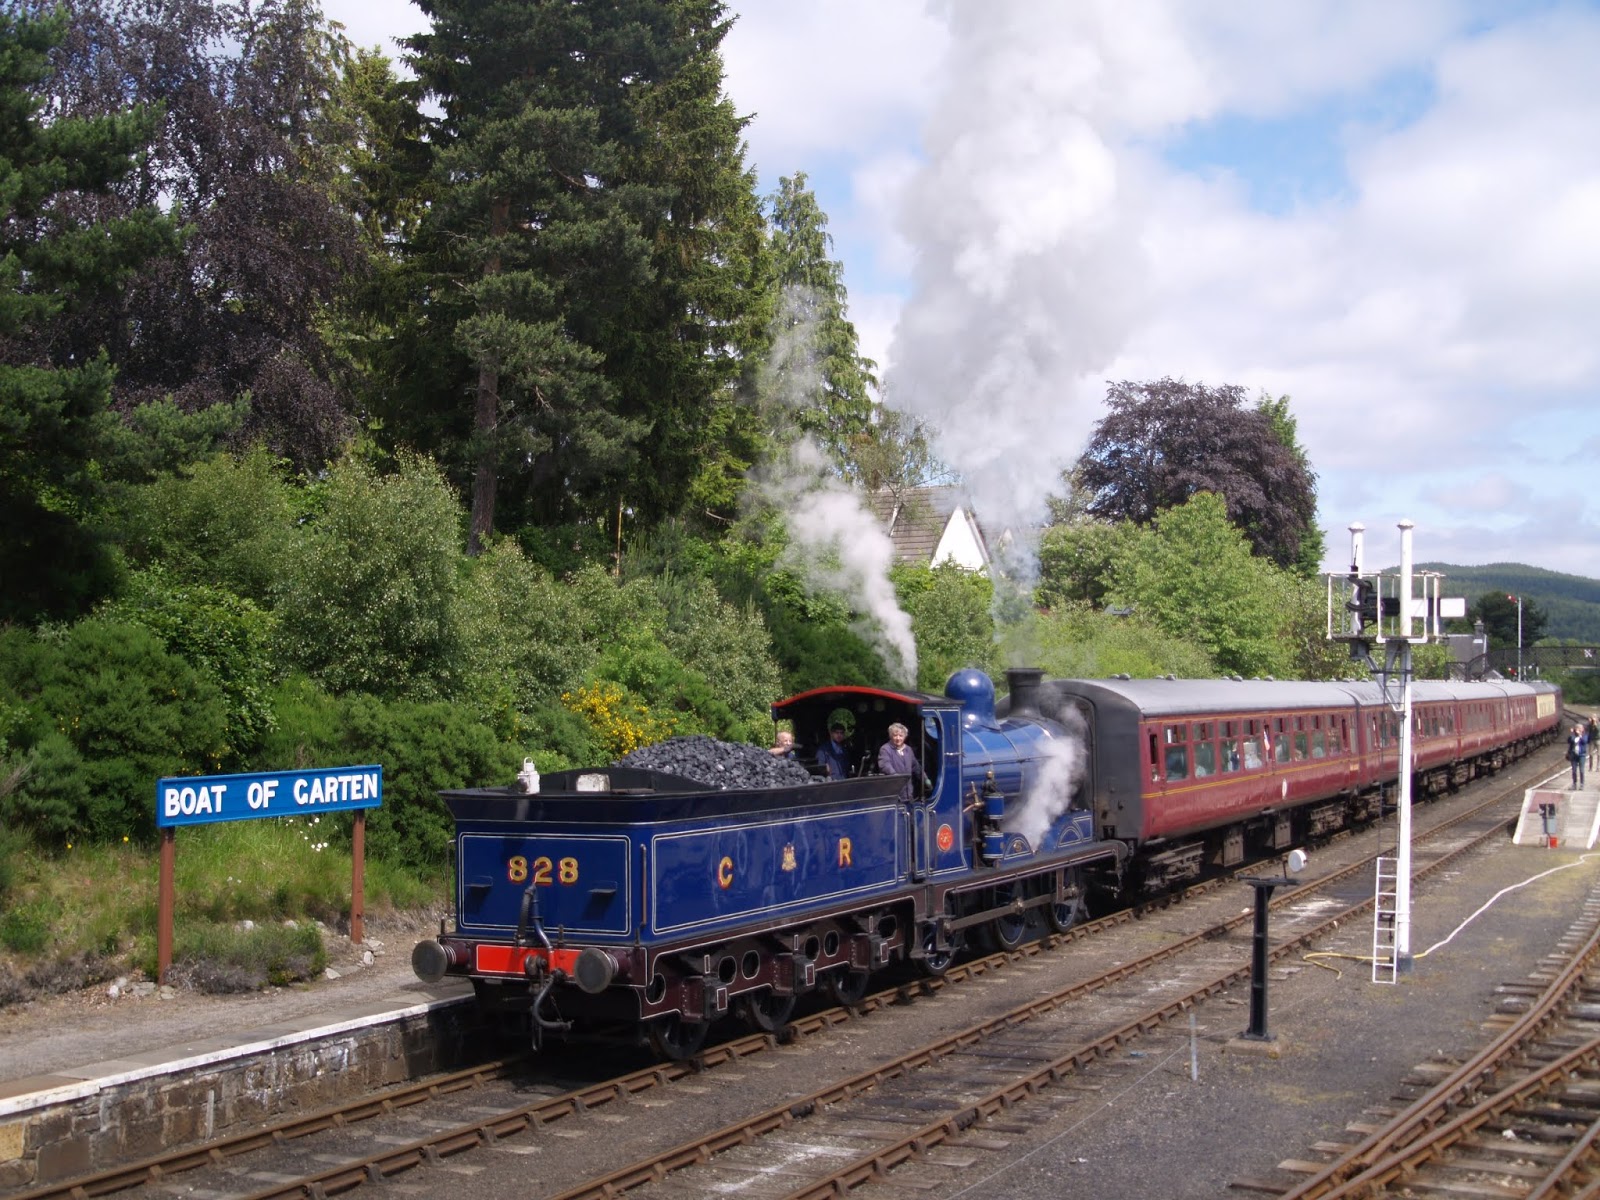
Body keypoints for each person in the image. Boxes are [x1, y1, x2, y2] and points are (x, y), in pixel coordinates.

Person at [877, 722, 926, 800]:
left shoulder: (908, 750)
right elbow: (885, 765)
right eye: (895, 735)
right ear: (891, 736)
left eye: (901, 736)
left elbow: (916, 766)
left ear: (905, 737)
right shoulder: (885, 749)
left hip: (908, 792)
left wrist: (925, 779)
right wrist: (895, 776)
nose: (898, 738)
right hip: (894, 792)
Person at [1569, 724, 1586, 789]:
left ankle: (1582, 784)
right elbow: (1569, 741)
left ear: (1582, 730)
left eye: (1580, 729)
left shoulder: (1584, 736)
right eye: (1577, 729)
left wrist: (1580, 736)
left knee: (1581, 770)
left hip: (1582, 755)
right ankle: (1574, 783)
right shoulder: (1573, 736)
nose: (1578, 730)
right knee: (1574, 770)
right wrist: (1572, 734)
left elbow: (1584, 742)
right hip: (1574, 755)